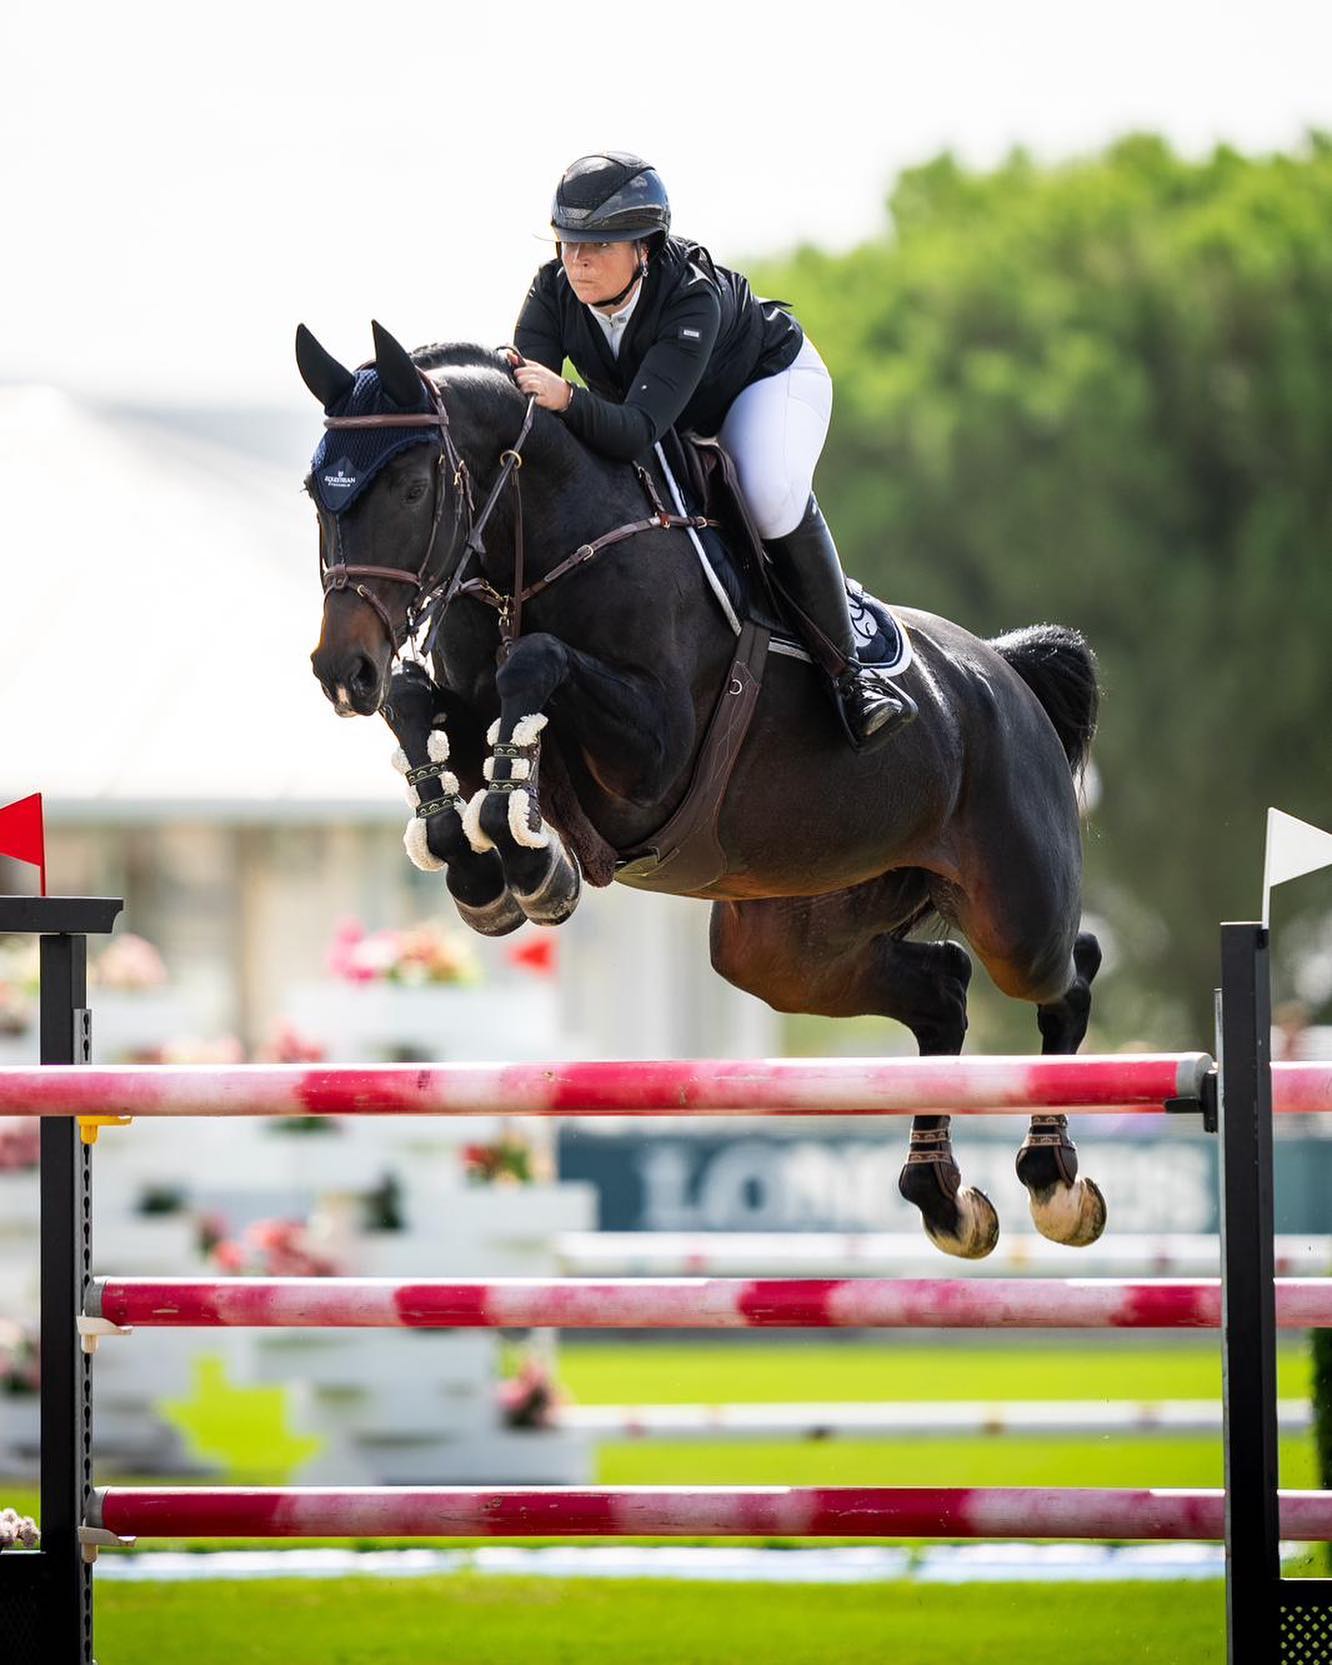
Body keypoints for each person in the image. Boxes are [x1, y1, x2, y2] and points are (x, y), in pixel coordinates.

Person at [511, 151, 916, 750]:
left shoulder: (689, 298)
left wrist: (568, 396)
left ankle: (850, 676)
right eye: (568, 243)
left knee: (768, 494)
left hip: (764, 386)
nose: (577, 260)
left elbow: (633, 429)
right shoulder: (552, 288)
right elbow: (525, 406)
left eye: (598, 245)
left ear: (644, 247)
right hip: (666, 414)